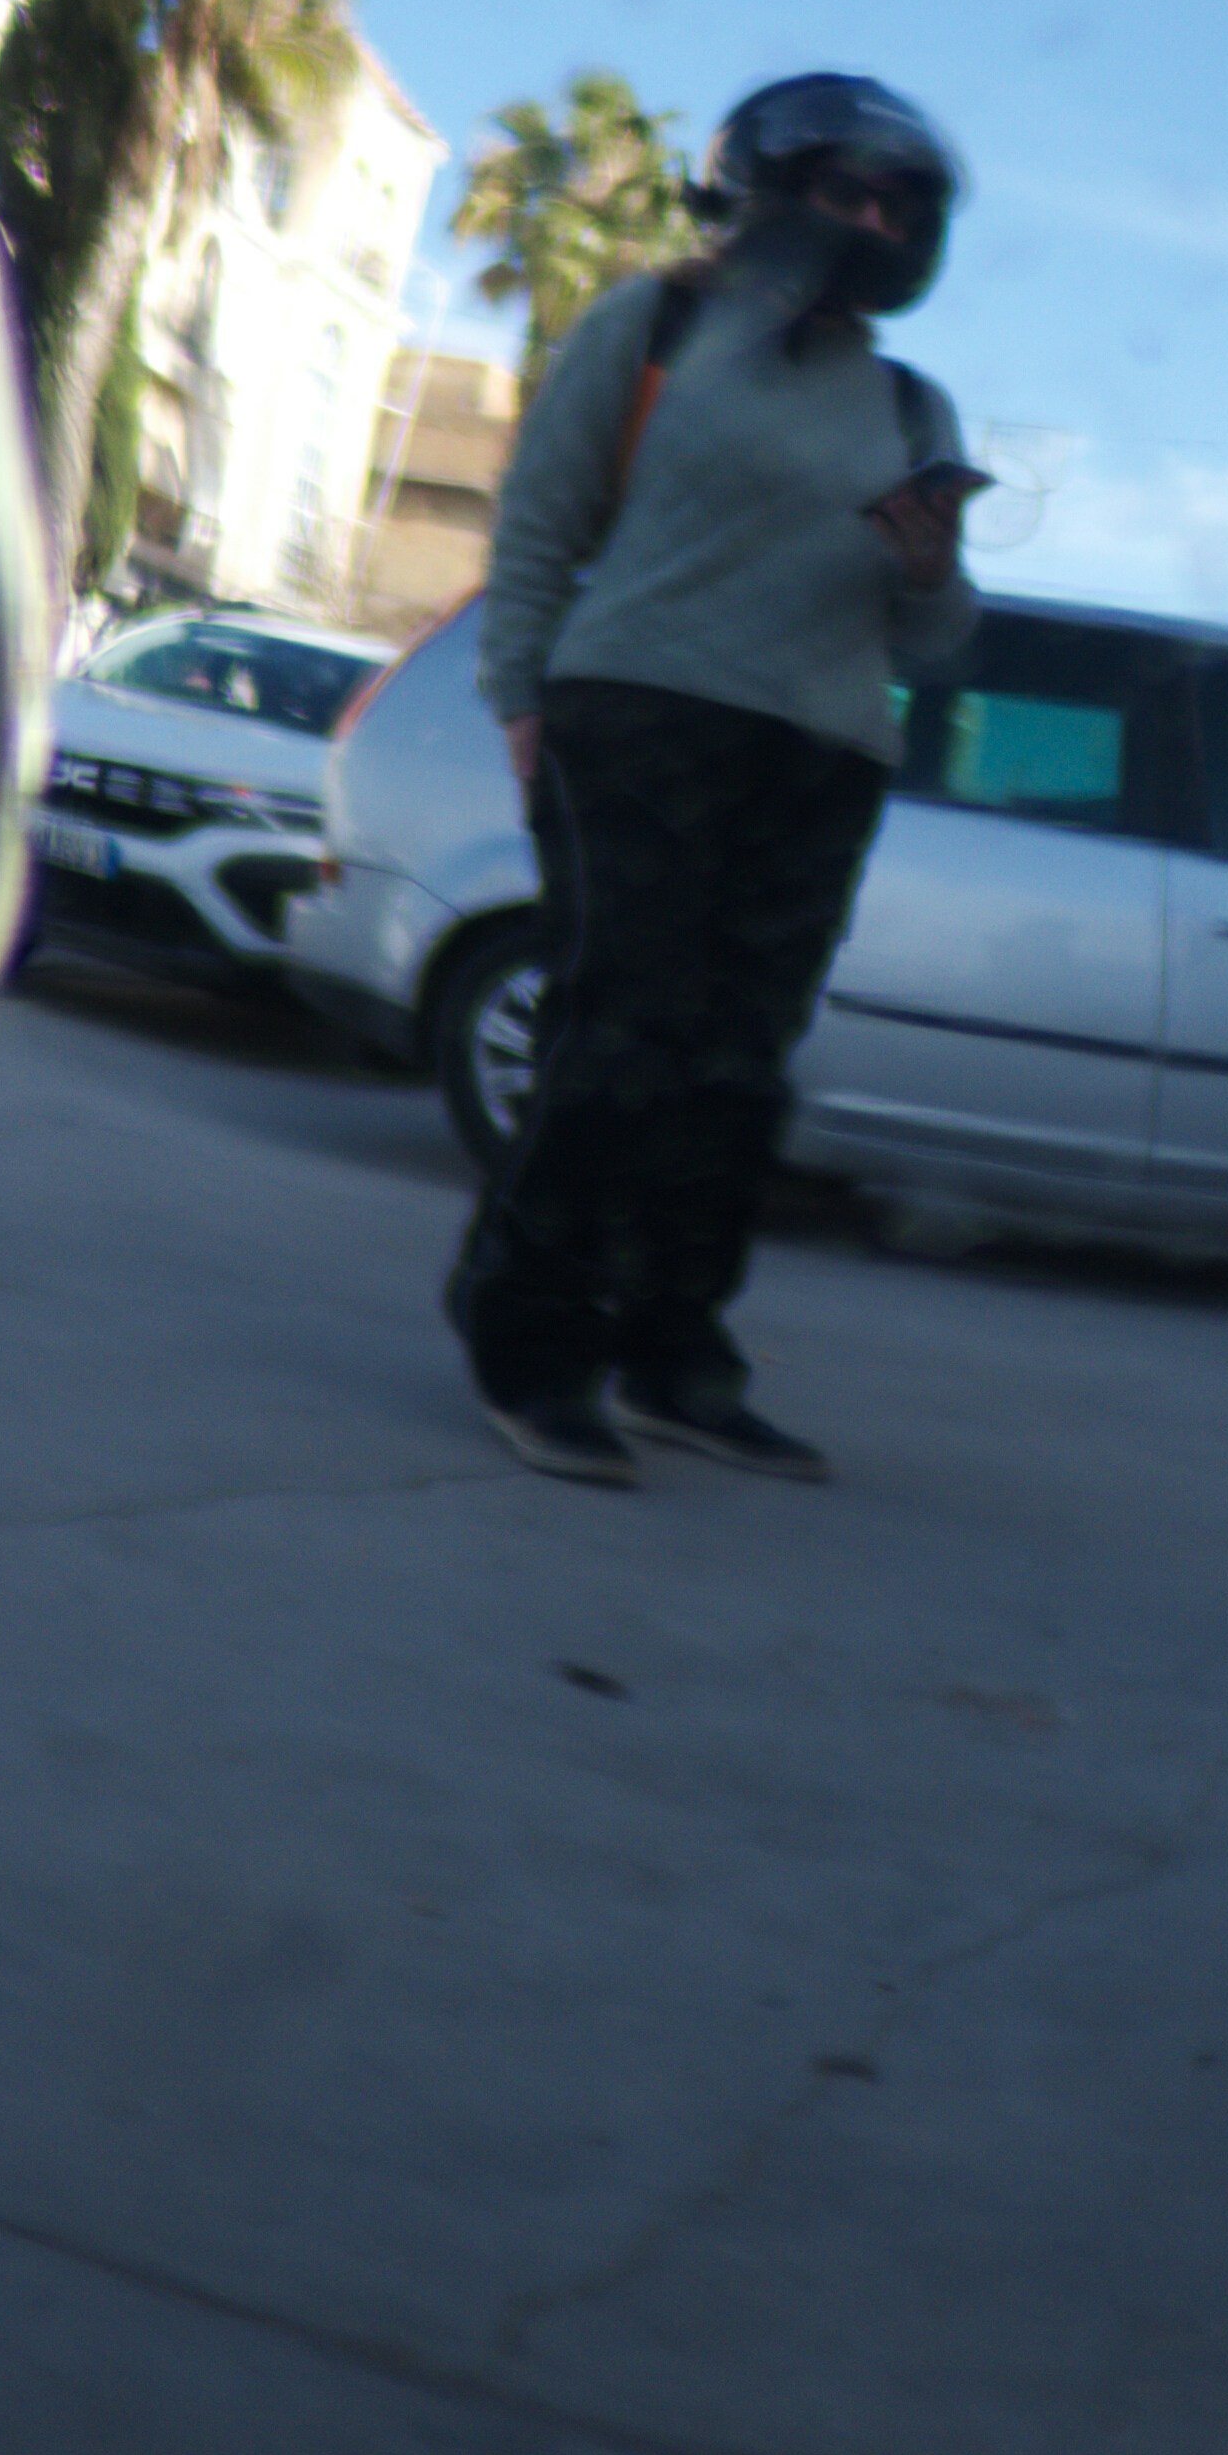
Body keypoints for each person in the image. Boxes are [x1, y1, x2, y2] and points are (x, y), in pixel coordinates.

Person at [448, 73, 979, 1486]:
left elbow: (934, 637)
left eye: (898, 210)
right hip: (638, 719)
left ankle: (674, 1358)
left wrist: (930, 564)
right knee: (620, 1041)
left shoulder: (910, 399)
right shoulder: (654, 328)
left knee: (738, 1072)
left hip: (823, 757)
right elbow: (540, 527)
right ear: (763, 193)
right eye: (846, 194)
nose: (871, 225)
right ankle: (530, 1344)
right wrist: (520, 704)